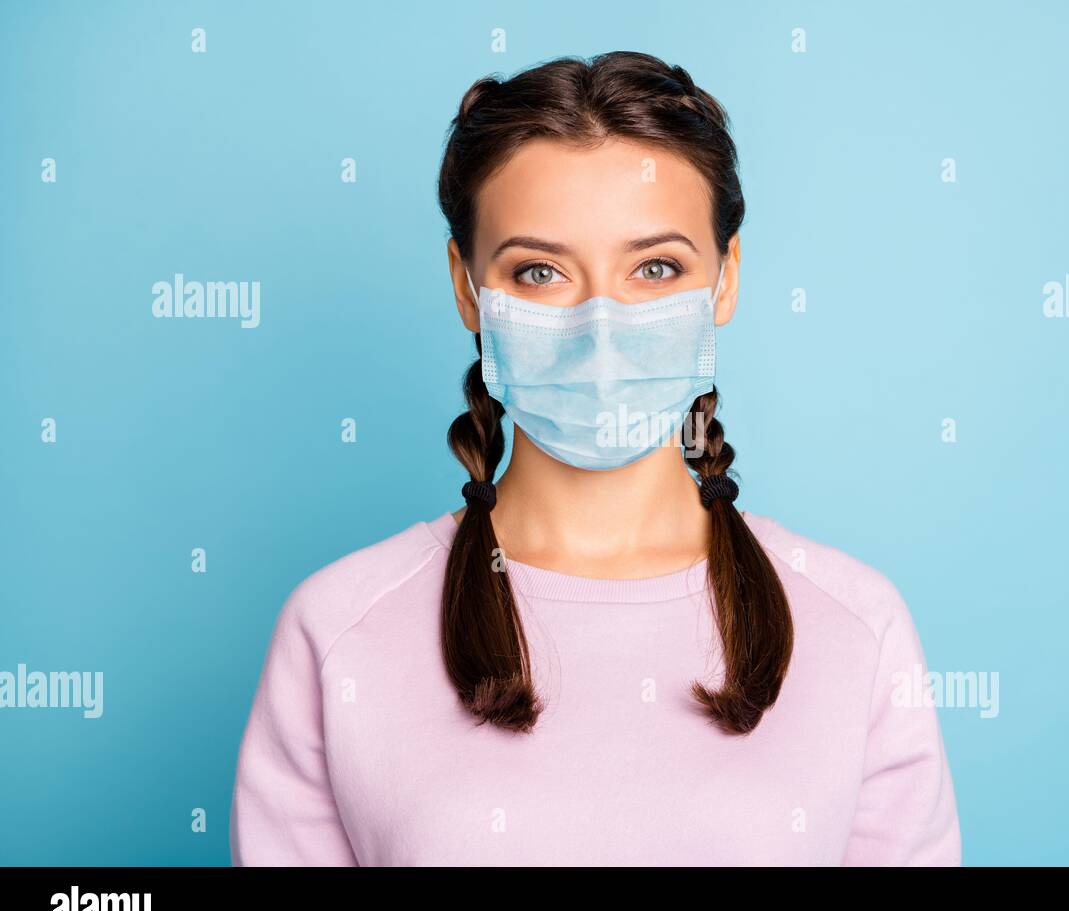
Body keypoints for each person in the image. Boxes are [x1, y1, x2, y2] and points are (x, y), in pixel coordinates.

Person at [229, 51, 960, 866]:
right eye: (540, 272)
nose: (600, 329)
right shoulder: (336, 631)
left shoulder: (857, 627)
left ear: (726, 279)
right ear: (468, 286)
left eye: (655, 268)